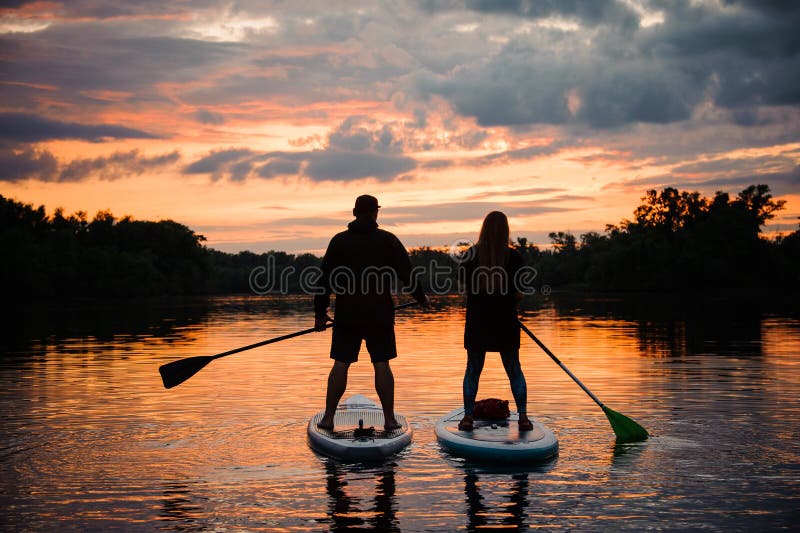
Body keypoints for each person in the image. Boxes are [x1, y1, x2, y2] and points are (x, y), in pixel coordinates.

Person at [314, 194, 428, 431]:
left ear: (354, 212)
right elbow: (406, 274)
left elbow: (323, 280)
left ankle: (328, 419)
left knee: (341, 363)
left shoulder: (339, 241)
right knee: (382, 363)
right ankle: (389, 419)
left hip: (348, 312)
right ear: (376, 213)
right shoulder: (388, 240)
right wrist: (421, 297)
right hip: (380, 312)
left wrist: (320, 312)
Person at [458, 211, 532, 432]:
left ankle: (468, 417)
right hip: (505, 322)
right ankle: (524, 418)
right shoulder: (514, 257)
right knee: (514, 369)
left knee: (473, 369)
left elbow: (465, 291)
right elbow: (519, 294)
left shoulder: (470, 255)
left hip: (477, 323)